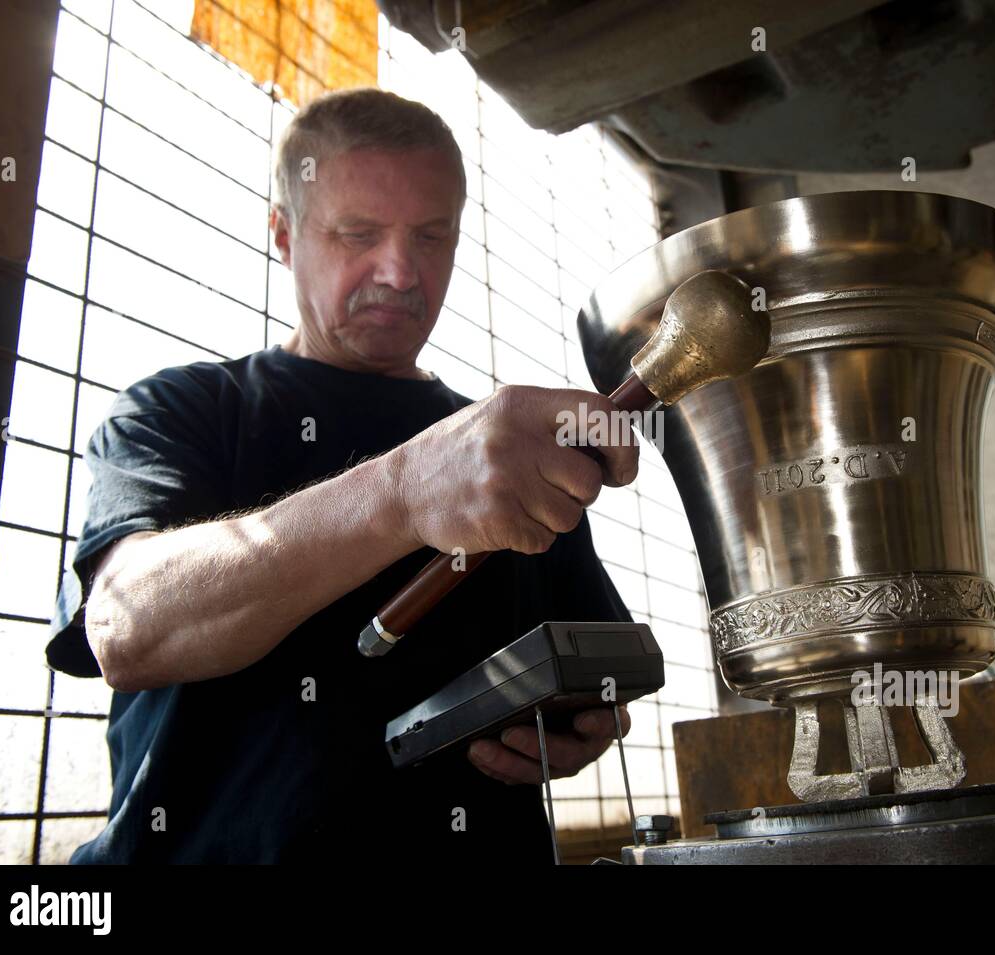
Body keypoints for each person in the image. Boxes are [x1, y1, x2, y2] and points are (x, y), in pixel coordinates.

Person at [46, 87, 638, 864]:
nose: (399, 271)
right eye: (358, 232)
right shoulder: (183, 410)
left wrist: (585, 721)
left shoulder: (510, 454)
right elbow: (125, 627)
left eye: (432, 236)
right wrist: (403, 491)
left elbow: (602, 670)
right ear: (284, 235)